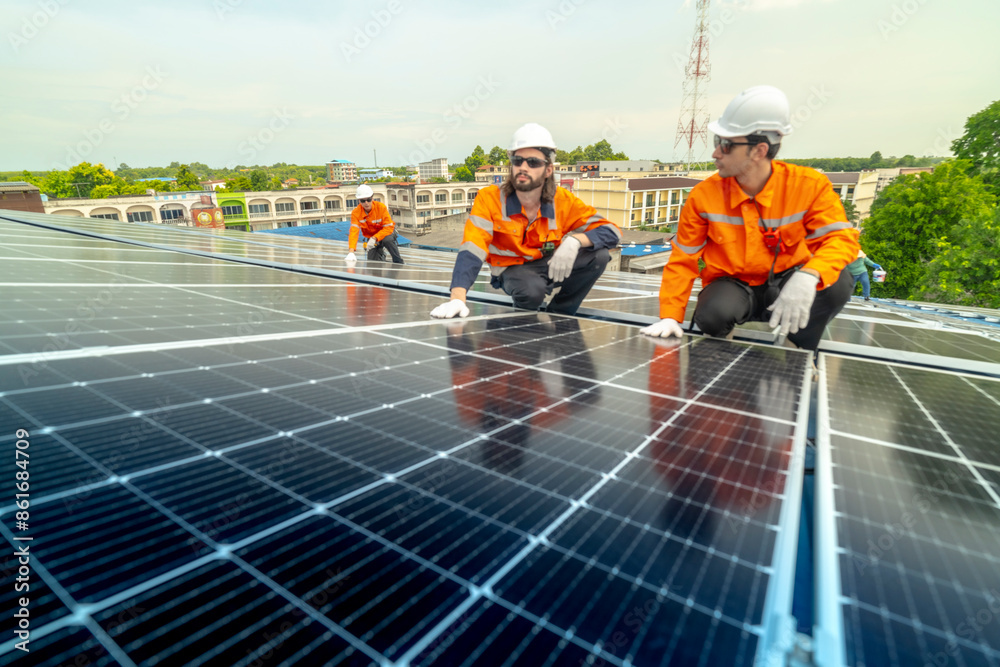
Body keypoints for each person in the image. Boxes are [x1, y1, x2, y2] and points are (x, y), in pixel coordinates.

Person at [641, 85, 859, 351]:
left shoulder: (809, 186)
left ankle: (797, 352)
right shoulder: (704, 196)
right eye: (716, 142)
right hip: (732, 286)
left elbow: (841, 240)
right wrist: (670, 316)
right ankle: (721, 357)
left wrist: (810, 275)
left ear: (759, 151)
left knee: (838, 282)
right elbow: (682, 259)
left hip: (789, 283)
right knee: (712, 314)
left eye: (726, 145)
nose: (715, 153)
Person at [430, 123, 621, 319]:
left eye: (533, 162)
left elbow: (611, 232)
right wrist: (457, 298)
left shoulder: (563, 201)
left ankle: (561, 313)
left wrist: (575, 241)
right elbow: (472, 247)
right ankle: (524, 319)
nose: (523, 167)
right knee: (531, 292)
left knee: (599, 255)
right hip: (512, 269)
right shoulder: (490, 198)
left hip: (547, 264)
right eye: (517, 160)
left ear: (548, 170)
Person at [345, 184, 403, 264]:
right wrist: (351, 251)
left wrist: (375, 238)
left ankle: (398, 262)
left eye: (368, 200)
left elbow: (388, 228)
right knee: (372, 262)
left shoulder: (381, 207)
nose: (366, 203)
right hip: (371, 238)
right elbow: (353, 232)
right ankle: (380, 256)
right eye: (363, 200)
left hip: (386, 233)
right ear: (359, 201)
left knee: (388, 240)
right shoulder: (356, 213)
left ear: (372, 198)